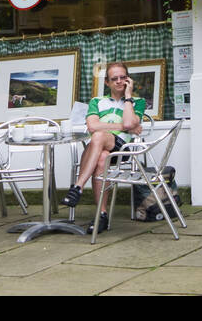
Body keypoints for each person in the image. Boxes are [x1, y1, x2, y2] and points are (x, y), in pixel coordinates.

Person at [59, 61, 145, 234]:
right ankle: (101, 215)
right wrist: (126, 127)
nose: (119, 81)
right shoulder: (96, 101)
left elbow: (126, 122)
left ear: (128, 80)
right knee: (101, 157)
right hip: (98, 150)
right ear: (107, 82)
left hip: (122, 149)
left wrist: (128, 97)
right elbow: (92, 126)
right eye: (115, 79)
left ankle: (78, 187)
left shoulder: (137, 102)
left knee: (98, 136)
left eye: (123, 78)